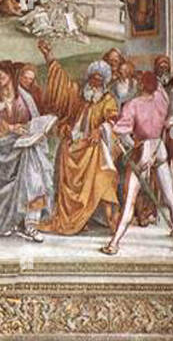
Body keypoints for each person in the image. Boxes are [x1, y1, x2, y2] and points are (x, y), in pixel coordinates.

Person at [34, 43, 120, 235]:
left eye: (99, 80)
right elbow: (62, 86)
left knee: (100, 175)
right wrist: (50, 57)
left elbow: (113, 121)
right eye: (93, 78)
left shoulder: (108, 100)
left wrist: (101, 130)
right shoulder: (80, 96)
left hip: (92, 148)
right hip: (73, 145)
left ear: (104, 81)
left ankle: (102, 220)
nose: (95, 82)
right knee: (64, 157)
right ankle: (69, 219)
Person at [102, 72, 173, 254]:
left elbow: (122, 132)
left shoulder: (132, 105)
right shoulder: (161, 101)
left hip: (142, 152)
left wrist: (117, 129)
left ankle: (114, 244)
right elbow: (161, 95)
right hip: (159, 149)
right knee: (170, 198)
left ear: (141, 85)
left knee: (129, 202)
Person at [0, 62, 54, 242]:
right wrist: (11, 128)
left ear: (10, 76)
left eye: (0, 76)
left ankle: (31, 223)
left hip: (21, 146)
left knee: (34, 168)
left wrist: (31, 130)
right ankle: (8, 223)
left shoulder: (24, 98)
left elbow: (32, 121)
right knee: (30, 165)